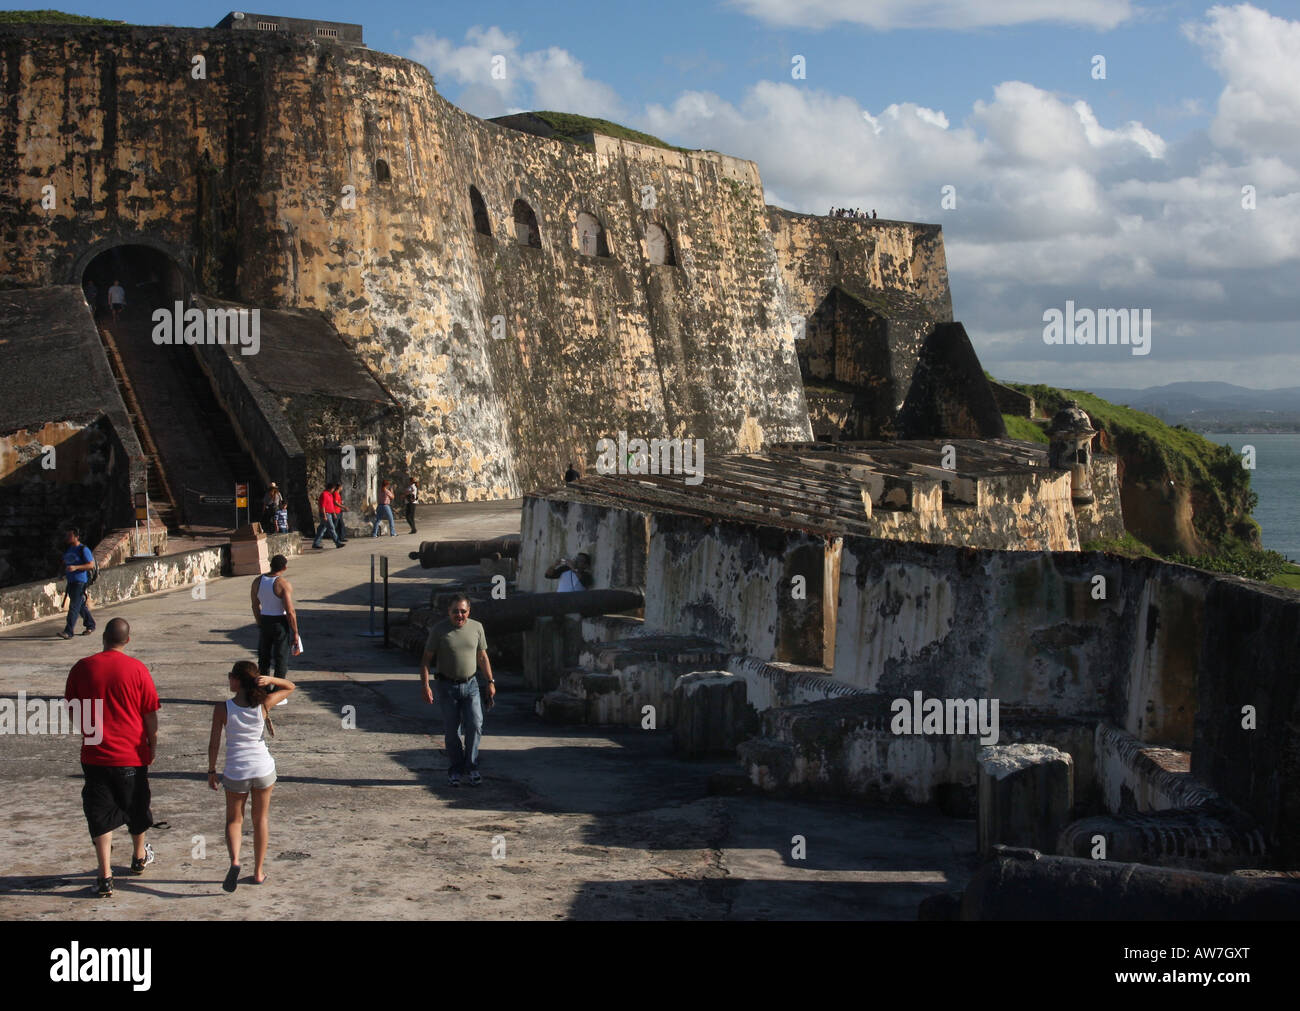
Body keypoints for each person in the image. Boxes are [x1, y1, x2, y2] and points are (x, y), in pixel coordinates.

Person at [64, 617, 160, 898]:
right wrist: (152, 744)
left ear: (103, 637)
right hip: (132, 753)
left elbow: (72, 708)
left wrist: (89, 731)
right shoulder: (138, 669)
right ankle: (139, 856)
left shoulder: (82, 668)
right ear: (127, 640)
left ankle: (104, 874)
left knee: (99, 811)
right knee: (137, 806)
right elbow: (150, 714)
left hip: (95, 754)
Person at [208, 660, 294, 891]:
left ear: (237, 680)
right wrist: (271, 680)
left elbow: (214, 743)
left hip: (237, 771)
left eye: (230, 676)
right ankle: (258, 872)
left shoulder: (223, 708)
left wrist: (211, 770)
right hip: (263, 769)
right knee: (260, 820)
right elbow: (290, 687)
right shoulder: (264, 704)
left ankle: (235, 861)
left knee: (234, 821)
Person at [420, 595, 495, 787]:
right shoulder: (439, 630)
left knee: (475, 725)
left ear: (469, 612)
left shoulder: (477, 627)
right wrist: (425, 685)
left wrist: (490, 681)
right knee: (452, 731)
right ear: (449, 612)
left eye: (463, 611)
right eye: (455, 611)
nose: (459, 615)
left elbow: (482, 656)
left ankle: (471, 766)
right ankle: (455, 769)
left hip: (471, 685)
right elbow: (426, 659)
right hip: (447, 687)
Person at [250, 554, 300, 708]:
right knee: (281, 658)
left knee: (263, 658)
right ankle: (278, 692)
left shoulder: (257, 581)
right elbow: (290, 611)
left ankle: (263, 690)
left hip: (265, 620)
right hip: (279, 622)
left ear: (271, 565)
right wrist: (295, 632)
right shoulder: (282, 584)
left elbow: (254, 605)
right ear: (284, 568)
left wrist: (260, 622)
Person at [59, 527, 96, 639]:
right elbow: (64, 562)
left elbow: (91, 565)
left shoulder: (83, 549)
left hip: (80, 581)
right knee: (79, 605)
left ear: (76, 537)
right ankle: (90, 624)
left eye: (70, 536)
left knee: (73, 607)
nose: (68, 538)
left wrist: (76, 567)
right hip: (71, 581)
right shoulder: (68, 549)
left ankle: (68, 631)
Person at [311, 482, 344, 549]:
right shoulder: (324, 494)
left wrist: (334, 513)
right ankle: (337, 542)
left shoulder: (330, 495)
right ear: (330, 488)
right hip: (325, 513)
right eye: (333, 489)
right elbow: (323, 506)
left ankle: (316, 543)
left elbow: (331, 506)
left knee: (322, 529)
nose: (333, 490)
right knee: (331, 528)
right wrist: (324, 515)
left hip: (329, 513)